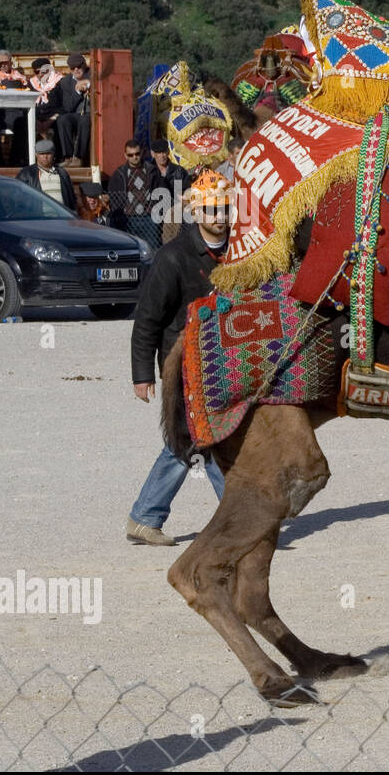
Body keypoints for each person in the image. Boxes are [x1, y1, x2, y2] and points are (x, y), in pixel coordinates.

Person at [126, 170, 233, 546]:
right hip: (182, 366)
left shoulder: (240, 252)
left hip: (225, 364)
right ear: (196, 213)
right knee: (192, 439)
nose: (219, 216)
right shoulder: (172, 257)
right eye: (211, 210)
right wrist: (143, 375)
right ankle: (232, 520)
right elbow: (148, 319)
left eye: (224, 208)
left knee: (203, 439)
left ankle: (145, 517)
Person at [107, 139, 160, 247]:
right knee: (128, 250)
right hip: (127, 219)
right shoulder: (119, 174)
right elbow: (113, 197)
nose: (134, 157)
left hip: (148, 218)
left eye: (137, 154)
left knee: (152, 251)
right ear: (125, 155)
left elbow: (161, 191)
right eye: (130, 155)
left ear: (141, 153)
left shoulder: (152, 171)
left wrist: (157, 211)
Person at [47, 53, 92, 166]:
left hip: (91, 114)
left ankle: (78, 157)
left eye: (79, 67)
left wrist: (88, 83)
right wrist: (78, 91)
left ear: (84, 66)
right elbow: (68, 107)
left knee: (84, 120)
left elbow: (101, 84)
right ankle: (67, 157)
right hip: (75, 114)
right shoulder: (65, 82)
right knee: (63, 119)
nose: (76, 70)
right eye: (72, 68)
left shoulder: (93, 76)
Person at [16, 139, 75, 209]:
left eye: (48, 153)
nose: (45, 157)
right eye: (42, 154)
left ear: (53, 154)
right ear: (36, 155)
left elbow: (71, 198)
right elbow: (18, 198)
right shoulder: (27, 173)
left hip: (61, 217)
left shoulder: (62, 173)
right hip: (39, 218)